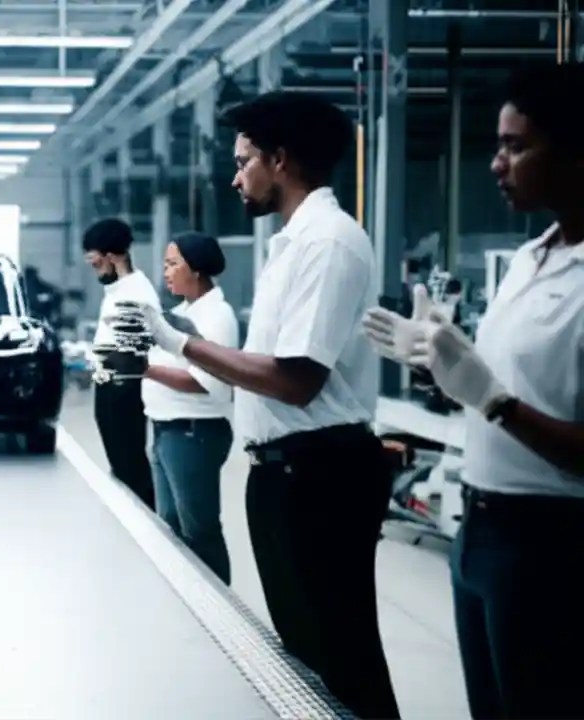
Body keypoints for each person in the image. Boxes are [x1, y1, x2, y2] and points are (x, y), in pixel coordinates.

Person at [116, 91, 399, 718]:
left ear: (280, 159)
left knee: (342, 657)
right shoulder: (294, 244)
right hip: (286, 473)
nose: (235, 176)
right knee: (307, 655)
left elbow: (296, 380)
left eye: (244, 161)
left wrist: (178, 341)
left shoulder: (328, 243)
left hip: (320, 475)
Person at [363, 62, 584, 720]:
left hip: (552, 544)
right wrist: (440, 360)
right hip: (481, 527)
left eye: (517, 146)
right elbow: (501, 383)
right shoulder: (531, 257)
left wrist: (493, 400)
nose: (496, 164)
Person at [142, 232, 239, 585]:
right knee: (171, 528)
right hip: (166, 430)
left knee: (200, 530)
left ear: (195, 269)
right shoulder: (181, 313)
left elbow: (206, 382)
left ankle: (221, 608)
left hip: (193, 433)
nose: (166, 272)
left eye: (172, 264)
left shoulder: (217, 316)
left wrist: (144, 369)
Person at [82, 218, 160, 511]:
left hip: (124, 390)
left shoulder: (134, 293)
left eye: (97, 263)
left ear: (113, 256)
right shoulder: (117, 290)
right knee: (123, 465)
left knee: (130, 467)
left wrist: (96, 358)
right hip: (112, 387)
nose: (96, 271)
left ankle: (147, 524)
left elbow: (134, 353)